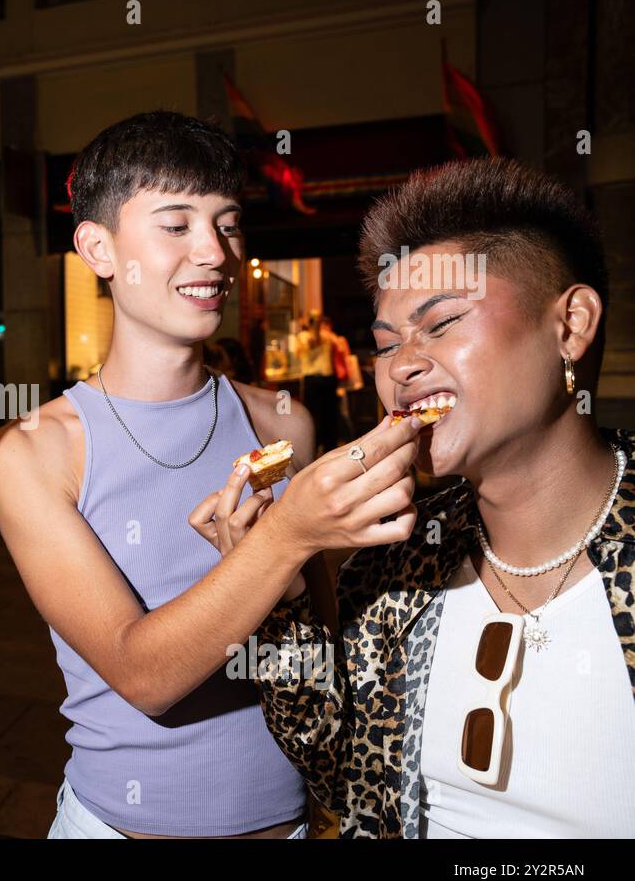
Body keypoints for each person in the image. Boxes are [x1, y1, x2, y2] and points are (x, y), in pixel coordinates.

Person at [0, 111, 423, 839]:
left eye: (227, 223)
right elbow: (144, 675)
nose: (214, 253)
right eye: (176, 225)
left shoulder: (282, 425)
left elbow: (320, 655)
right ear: (97, 247)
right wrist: (281, 540)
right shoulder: (35, 452)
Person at [211, 157, 635, 837]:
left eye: (440, 325)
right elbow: (336, 771)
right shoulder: (394, 559)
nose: (402, 365)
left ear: (571, 324)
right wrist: (284, 591)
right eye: (384, 345)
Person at [292, 311, 340, 453]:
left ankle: (318, 446)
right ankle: (324, 446)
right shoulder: (325, 337)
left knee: (319, 415)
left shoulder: (303, 337)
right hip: (321, 378)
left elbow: (297, 354)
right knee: (325, 415)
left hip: (317, 378)